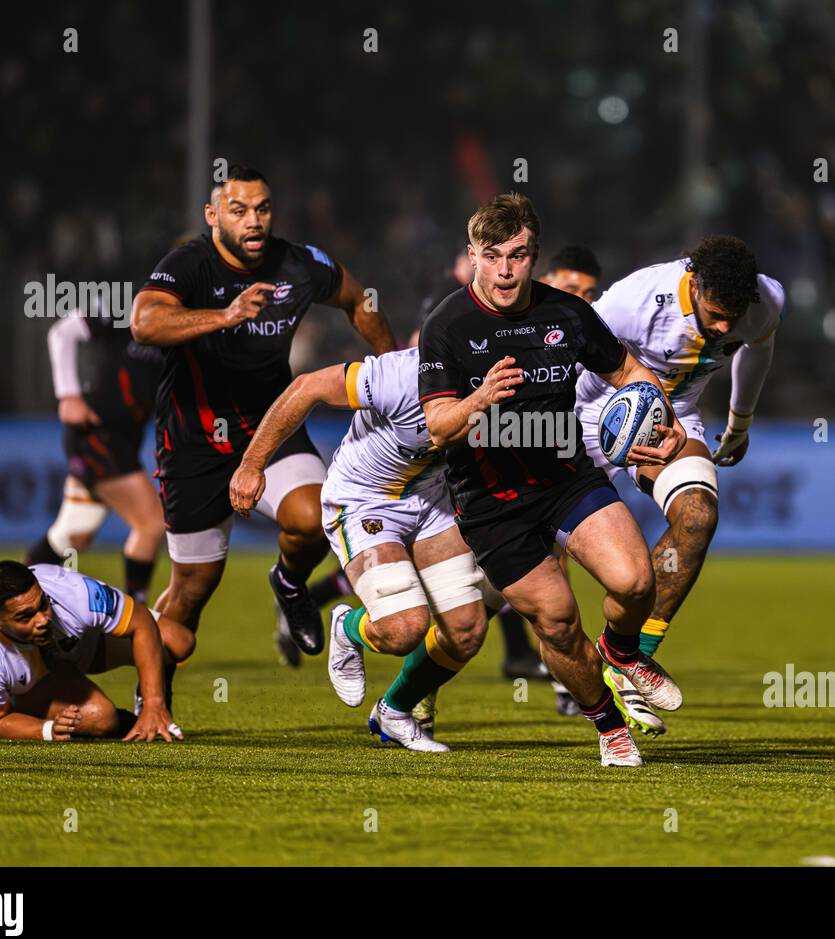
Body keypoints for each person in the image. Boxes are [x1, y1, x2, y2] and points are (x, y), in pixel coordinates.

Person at [418, 193, 687, 767]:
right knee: (560, 622)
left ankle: (620, 649)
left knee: (637, 581)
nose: (506, 269)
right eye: (493, 256)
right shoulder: (447, 325)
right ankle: (609, 726)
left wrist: (663, 418)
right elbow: (439, 428)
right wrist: (481, 398)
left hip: (564, 476)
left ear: (534, 255)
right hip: (491, 504)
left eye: (518, 255)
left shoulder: (566, 312)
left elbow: (628, 369)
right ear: (473, 257)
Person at [129, 164, 397, 665]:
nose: (253, 221)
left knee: (314, 516)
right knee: (190, 593)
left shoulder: (296, 265)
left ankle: (290, 584)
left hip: (270, 425)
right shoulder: (190, 265)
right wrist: (225, 316)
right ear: (213, 216)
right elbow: (143, 323)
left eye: (262, 209)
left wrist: (392, 367)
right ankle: (154, 702)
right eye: (238, 210)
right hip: (194, 441)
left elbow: (360, 299)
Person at [229, 349, 492, 752]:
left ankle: (395, 712)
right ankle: (347, 626)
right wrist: (252, 464)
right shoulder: (401, 375)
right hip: (365, 501)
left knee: (466, 630)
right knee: (403, 629)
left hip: (431, 501)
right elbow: (306, 387)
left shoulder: (509, 377)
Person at [574, 236, 782, 733]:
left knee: (697, 515)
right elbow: (572, 352)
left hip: (673, 420)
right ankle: (415, 691)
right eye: (716, 313)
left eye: (735, 315)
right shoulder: (636, 300)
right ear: (694, 284)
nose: (726, 326)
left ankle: (628, 657)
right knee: (498, 586)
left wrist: (740, 421)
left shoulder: (766, 302)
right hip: (585, 414)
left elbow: (758, 347)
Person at [0, 561, 193, 741]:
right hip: (32, 684)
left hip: (77, 648)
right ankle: (123, 721)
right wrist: (46, 729)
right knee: (101, 718)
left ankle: (147, 708)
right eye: (26, 616)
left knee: (179, 642)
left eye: (42, 605)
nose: (42, 619)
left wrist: (153, 702)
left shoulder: (71, 591)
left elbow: (140, 620)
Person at [26, 304, 164, 606]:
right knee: (151, 525)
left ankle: (8, 598)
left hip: (120, 445)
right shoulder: (129, 306)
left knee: (72, 536)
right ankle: (135, 624)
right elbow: (63, 332)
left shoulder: (183, 326)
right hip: (96, 437)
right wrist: (69, 395)